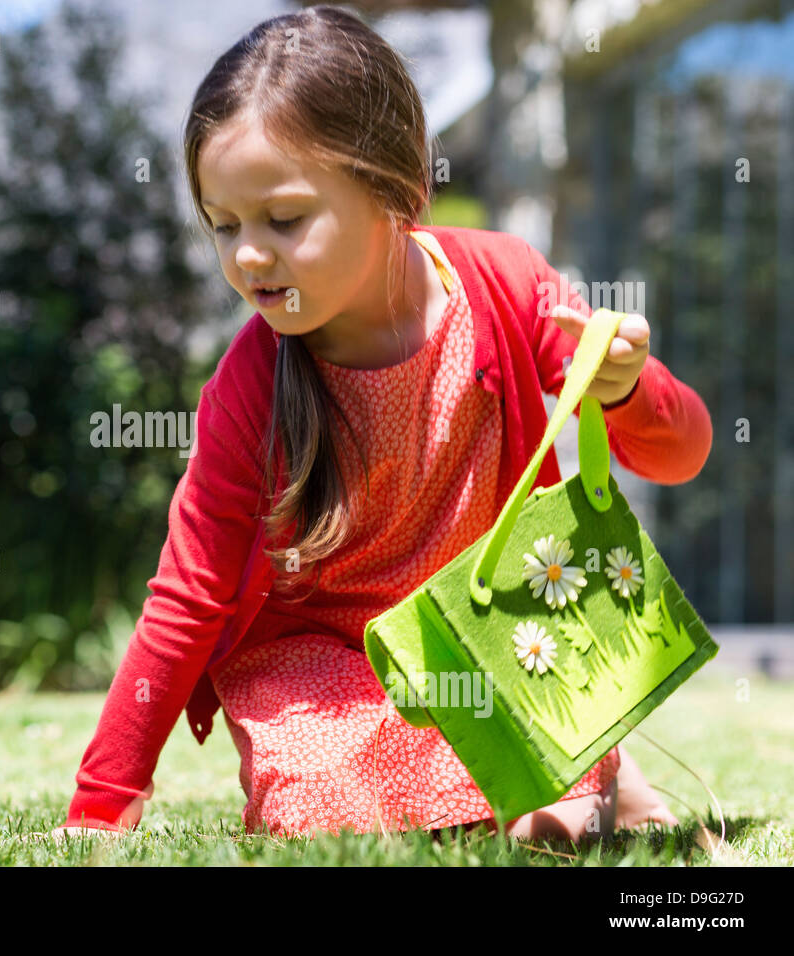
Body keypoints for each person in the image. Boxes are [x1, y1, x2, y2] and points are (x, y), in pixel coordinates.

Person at [52, 5, 711, 844]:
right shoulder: (250, 385)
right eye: (225, 227)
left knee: (519, 764)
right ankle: (574, 785)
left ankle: (576, 785)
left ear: (393, 191)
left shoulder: (506, 286)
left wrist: (626, 388)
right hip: (324, 670)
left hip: (490, 646)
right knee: (321, 809)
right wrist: (103, 806)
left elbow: (683, 452)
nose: (249, 255)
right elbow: (188, 597)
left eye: (284, 220)